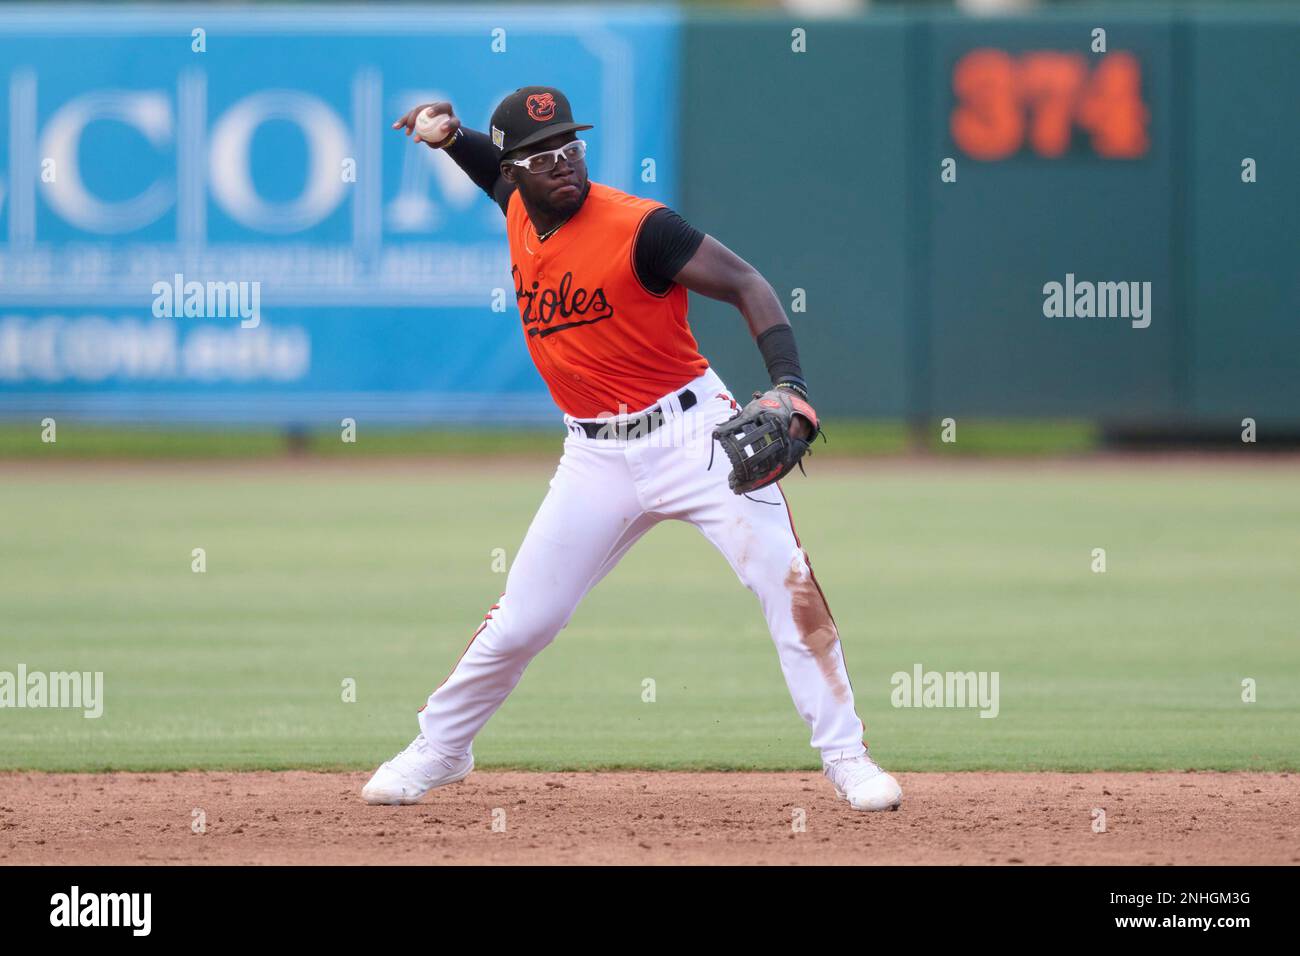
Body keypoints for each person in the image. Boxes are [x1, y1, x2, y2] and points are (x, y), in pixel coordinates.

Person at [363, 87, 901, 812]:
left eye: (572, 148)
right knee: (525, 619)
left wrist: (790, 384)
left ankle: (847, 758)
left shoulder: (641, 228)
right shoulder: (518, 204)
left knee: (784, 579)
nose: (563, 164)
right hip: (593, 455)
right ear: (517, 172)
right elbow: (491, 169)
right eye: (543, 156)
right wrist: (452, 136)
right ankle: (441, 749)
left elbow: (748, 283)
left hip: (693, 436)